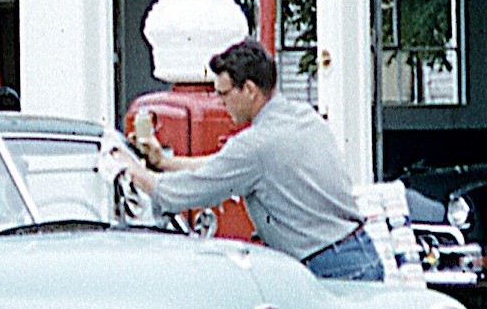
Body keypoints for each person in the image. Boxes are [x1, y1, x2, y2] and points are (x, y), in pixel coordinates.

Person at [124, 39, 382, 281]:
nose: (221, 102)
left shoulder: (255, 145)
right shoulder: (305, 117)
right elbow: (225, 166)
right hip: (363, 253)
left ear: (249, 89)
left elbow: (182, 192)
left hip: (327, 269)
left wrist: (129, 168)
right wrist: (165, 162)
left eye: (224, 94)